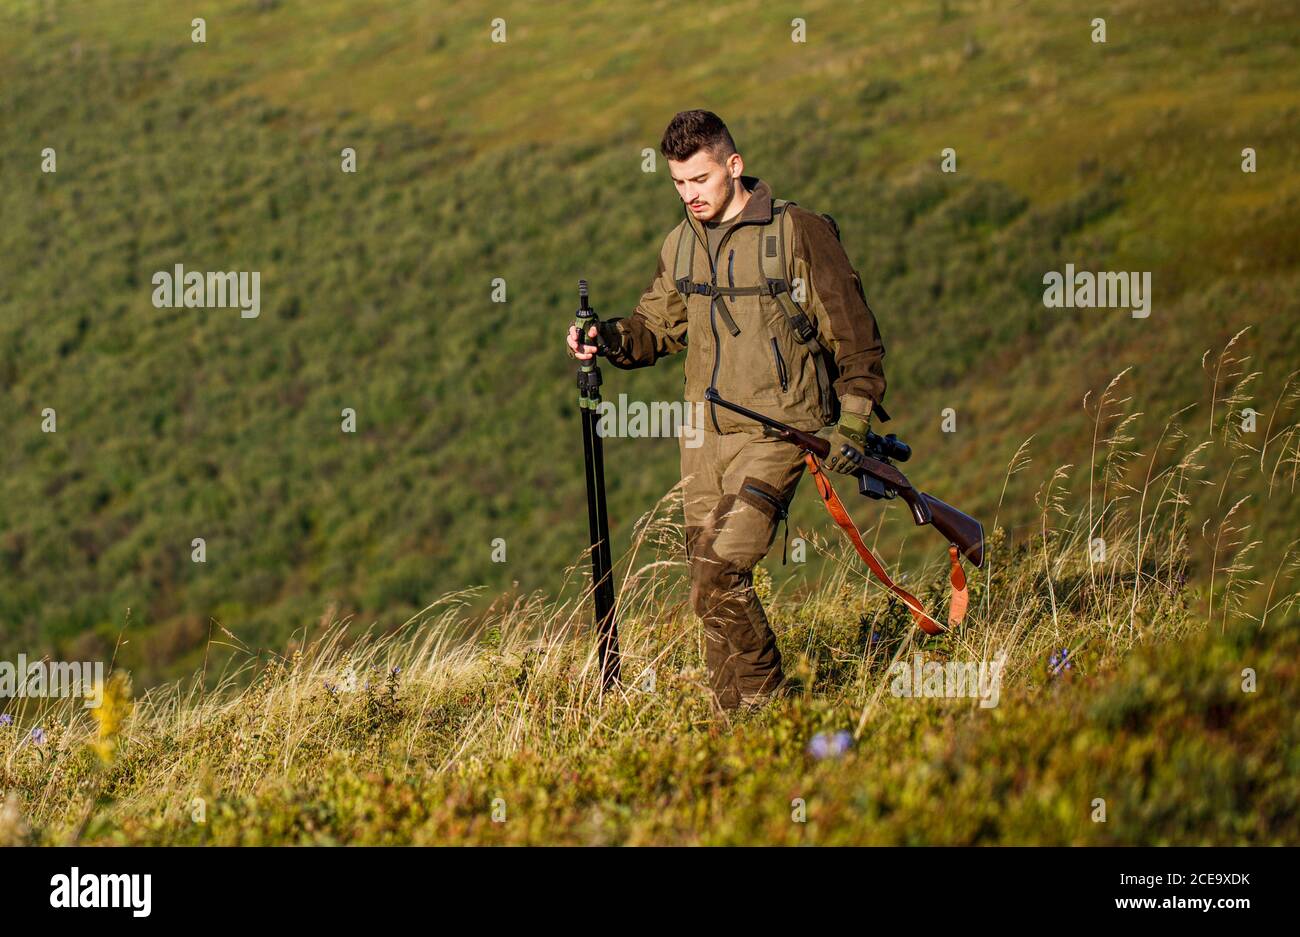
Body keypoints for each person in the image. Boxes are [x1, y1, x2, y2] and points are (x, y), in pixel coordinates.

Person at [566, 109, 887, 712]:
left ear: (733, 166)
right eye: (679, 184)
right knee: (705, 588)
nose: (690, 195)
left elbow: (855, 335)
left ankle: (770, 708)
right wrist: (604, 337)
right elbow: (656, 329)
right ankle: (731, 722)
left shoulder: (797, 232)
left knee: (720, 573)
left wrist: (855, 419)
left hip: (780, 432)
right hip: (702, 438)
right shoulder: (681, 244)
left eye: (701, 180)